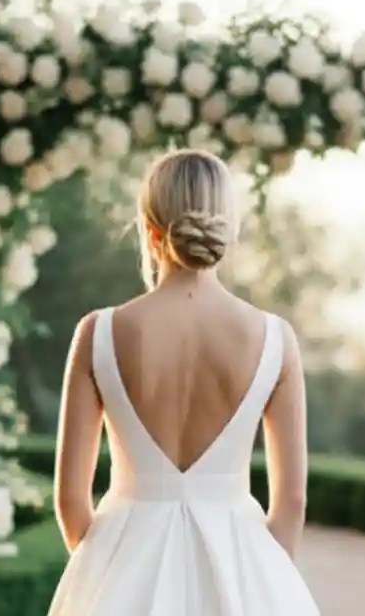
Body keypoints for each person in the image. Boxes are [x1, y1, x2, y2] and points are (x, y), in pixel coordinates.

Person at [47, 149, 320, 615]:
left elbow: (71, 500)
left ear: (149, 230)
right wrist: (264, 579)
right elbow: (291, 501)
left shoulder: (99, 333)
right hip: (240, 559)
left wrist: (104, 572)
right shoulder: (274, 338)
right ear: (228, 228)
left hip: (123, 562)